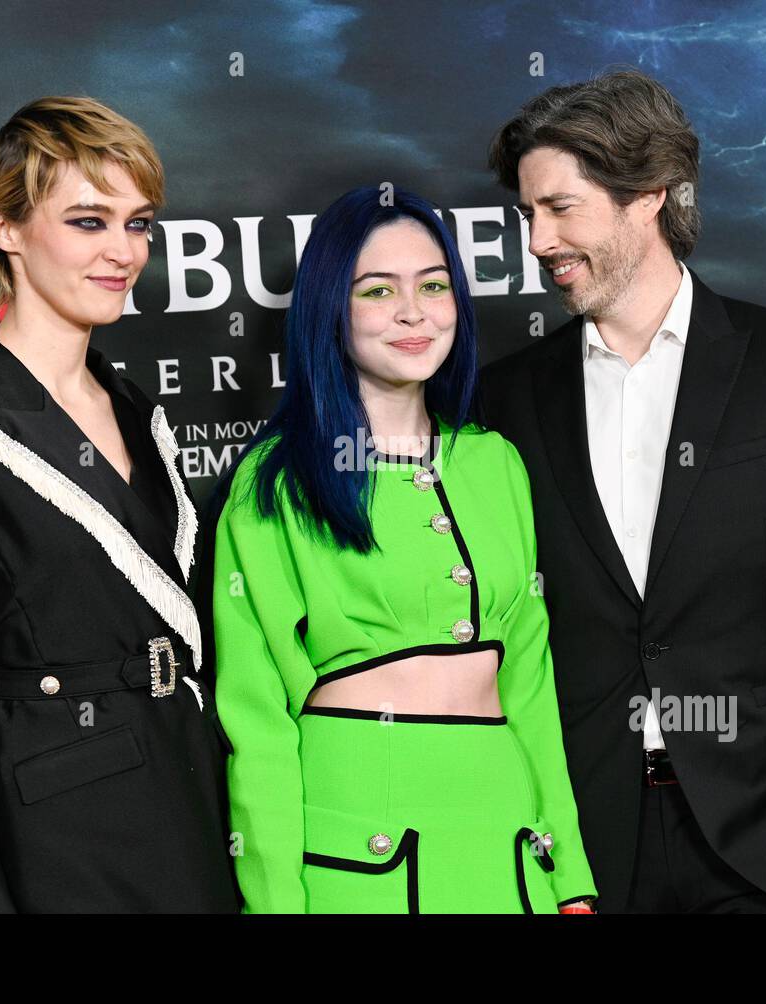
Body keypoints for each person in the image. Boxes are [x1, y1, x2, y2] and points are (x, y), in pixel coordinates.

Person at [479, 69, 766, 913]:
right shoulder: (507, 399)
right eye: (527, 214)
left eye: (561, 208)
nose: (537, 242)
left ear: (649, 196)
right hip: (592, 847)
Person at [0, 96, 237, 913]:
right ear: (2, 227)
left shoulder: (137, 405)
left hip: (201, 796)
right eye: (88, 222)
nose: (123, 252)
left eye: (137, 224)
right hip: (63, 831)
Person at [207, 185, 596, 913]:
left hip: (506, 837)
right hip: (360, 848)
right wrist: (275, 903)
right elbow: (256, 723)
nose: (414, 312)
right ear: (331, 308)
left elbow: (531, 683)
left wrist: (567, 871)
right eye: (378, 290)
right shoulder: (276, 480)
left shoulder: (495, 463)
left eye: (434, 286)